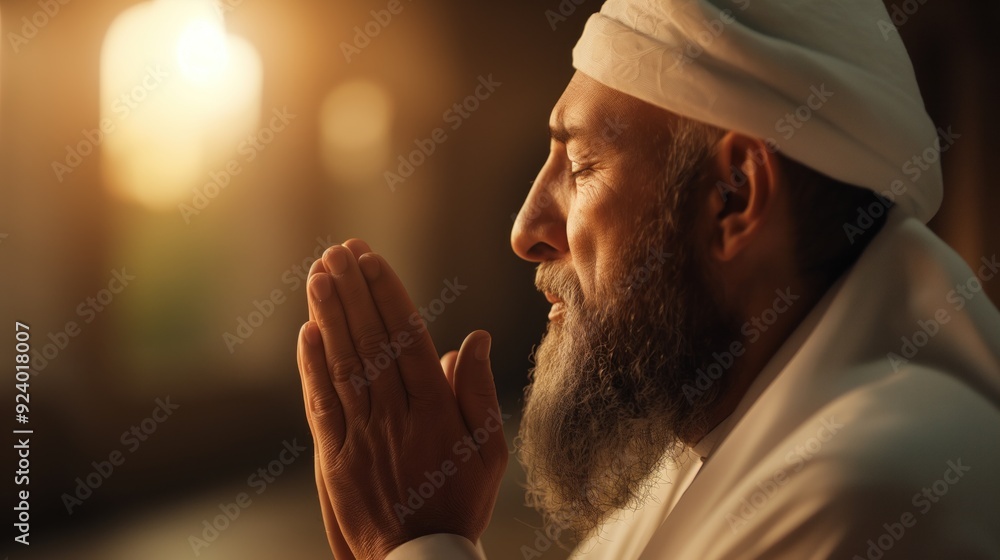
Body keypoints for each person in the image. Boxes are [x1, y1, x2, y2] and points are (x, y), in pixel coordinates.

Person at [295, 0, 1000, 558]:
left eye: (579, 166)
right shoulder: (692, 463)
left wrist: (418, 542)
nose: (526, 229)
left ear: (733, 196)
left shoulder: (879, 491)